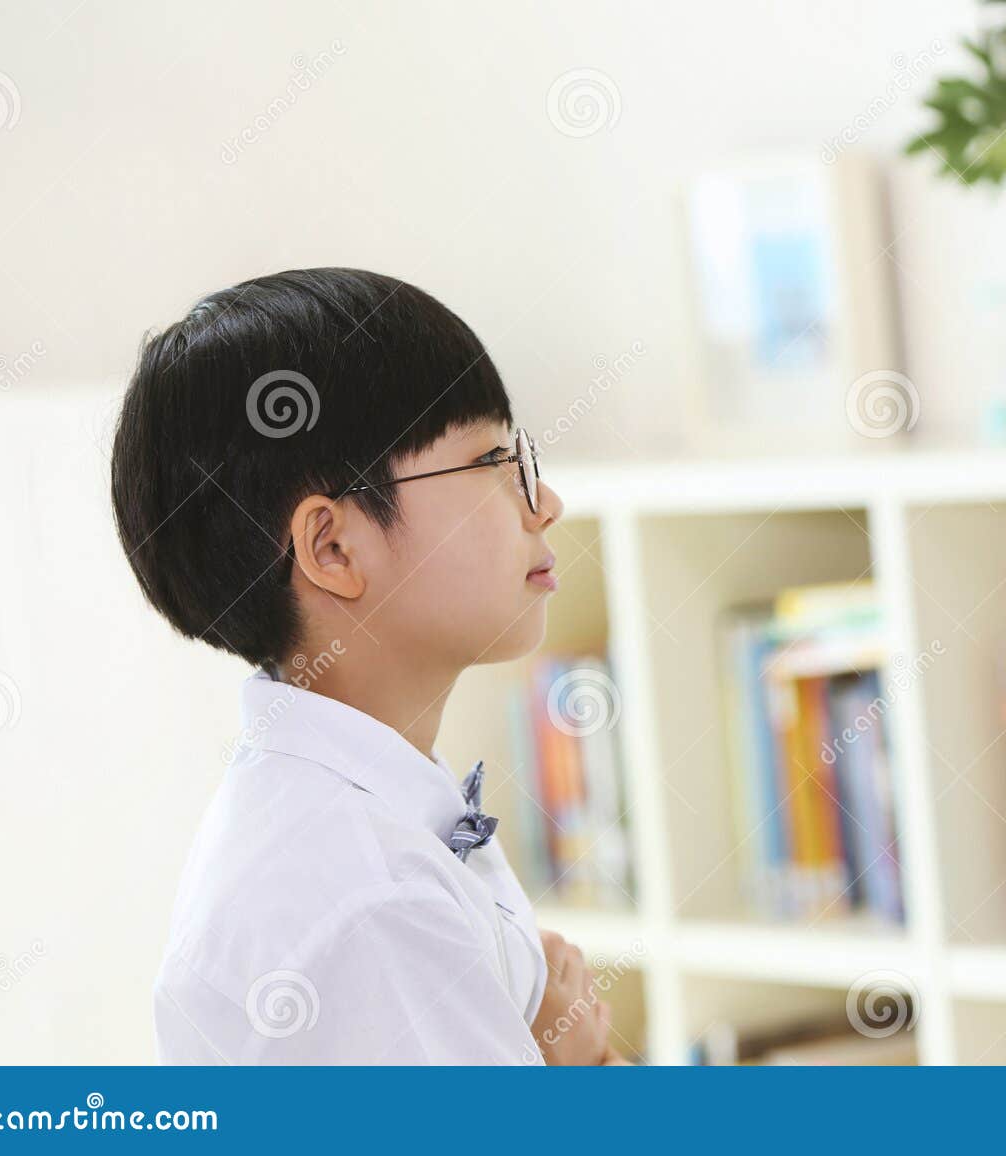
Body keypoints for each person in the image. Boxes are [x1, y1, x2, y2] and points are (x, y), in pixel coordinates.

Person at [110, 267, 623, 1063]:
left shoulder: (383, 814)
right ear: (333, 548)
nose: (543, 502)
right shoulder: (369, 906)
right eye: (493, 461)